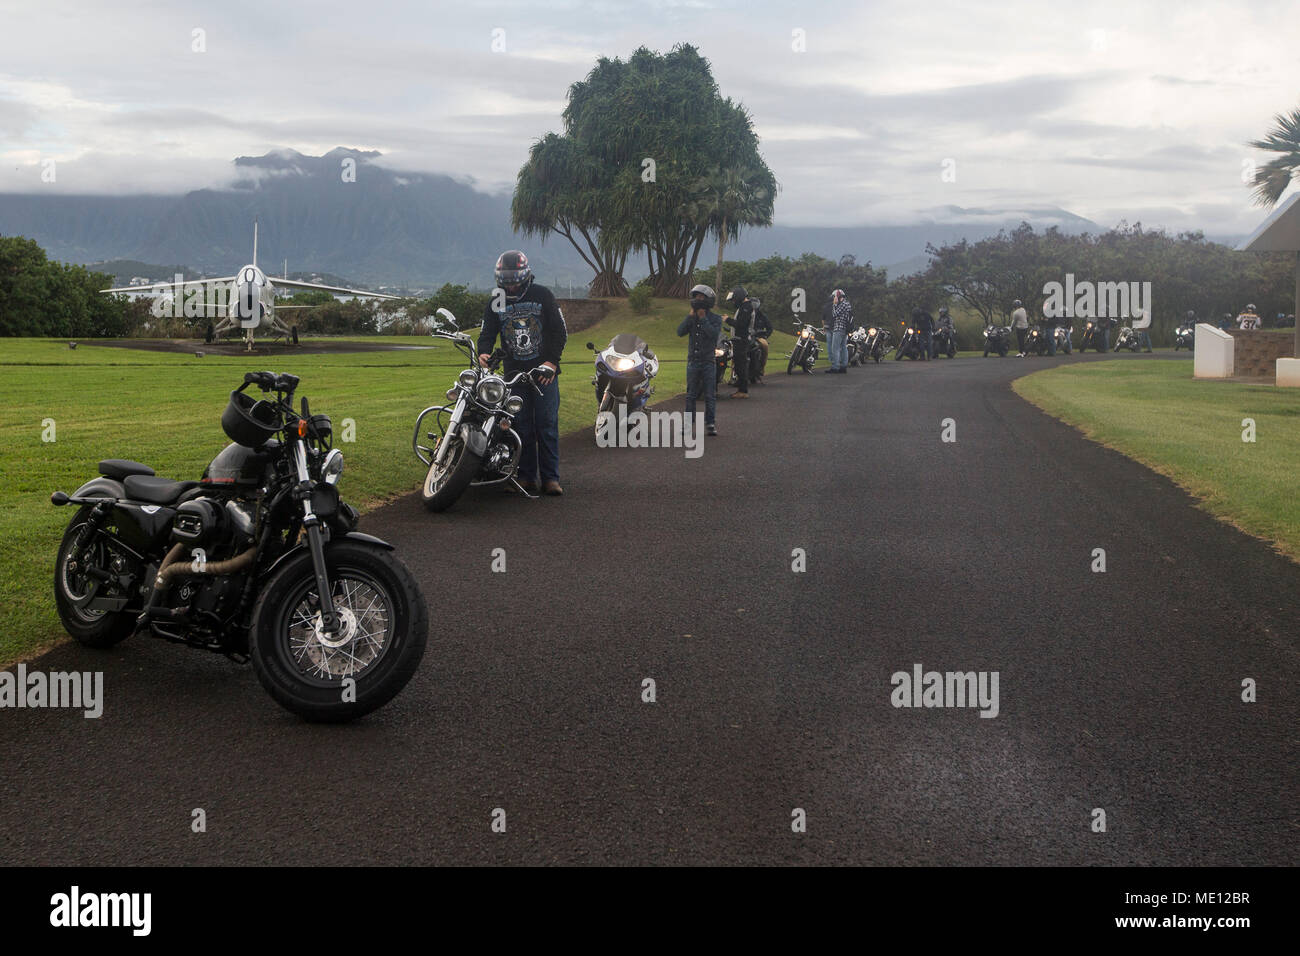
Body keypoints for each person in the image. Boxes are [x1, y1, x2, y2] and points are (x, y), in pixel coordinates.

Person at [477, 250, 567, 496]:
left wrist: (552, 362)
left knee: (547, 425)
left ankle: (551, 478)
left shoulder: (543, 295)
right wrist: (483, 352)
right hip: (514, 374)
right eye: (507, 278)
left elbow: (560, 332)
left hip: (543, 373)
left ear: (526, 274)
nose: (512, 283)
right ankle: (526, 477)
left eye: (516, 277)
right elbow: (487, 332)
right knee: (521, 426)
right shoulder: (497, 298)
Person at [677, 284, 722, 436]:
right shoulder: (691, 318)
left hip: (709, 361)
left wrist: (703, 319)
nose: (698, 299)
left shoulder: (715, 318)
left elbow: (714, 335)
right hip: (693, 361)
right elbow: (680, 332)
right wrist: (690, 317)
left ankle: (710, 423)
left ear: (708, 300)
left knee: (710, 394)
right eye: (696, 297)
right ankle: (688, 424)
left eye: (701, 297)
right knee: (690, 395)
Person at [724, 286, 753, 397]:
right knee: (738, 364)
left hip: (741, 340)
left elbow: (741, 325)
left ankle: (743, 390)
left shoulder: (746, 308)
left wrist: (728, 320)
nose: (733, 302)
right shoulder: (744, 307)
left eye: (734, 300)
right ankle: (741, 388)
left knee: (740, 365)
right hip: (739, 340)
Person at [825, 288, 853, 372]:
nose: (833, 298)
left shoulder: (843, 304)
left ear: (837, 296)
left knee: (835, 348)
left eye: (834, 296)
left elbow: (834, 314)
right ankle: (843, 366)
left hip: (839, 328)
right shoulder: (847, 304)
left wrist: (834, 304)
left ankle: (835, 367)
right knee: (843, 347)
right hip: (844, 329)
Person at [751, 300, 772, 379]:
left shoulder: (762, 316)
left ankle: (762, 368)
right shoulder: (745, 314)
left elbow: (770, 328)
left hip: (758, 337)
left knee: (765, 345)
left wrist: (765, 335)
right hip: (746, 336)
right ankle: (734, 374)